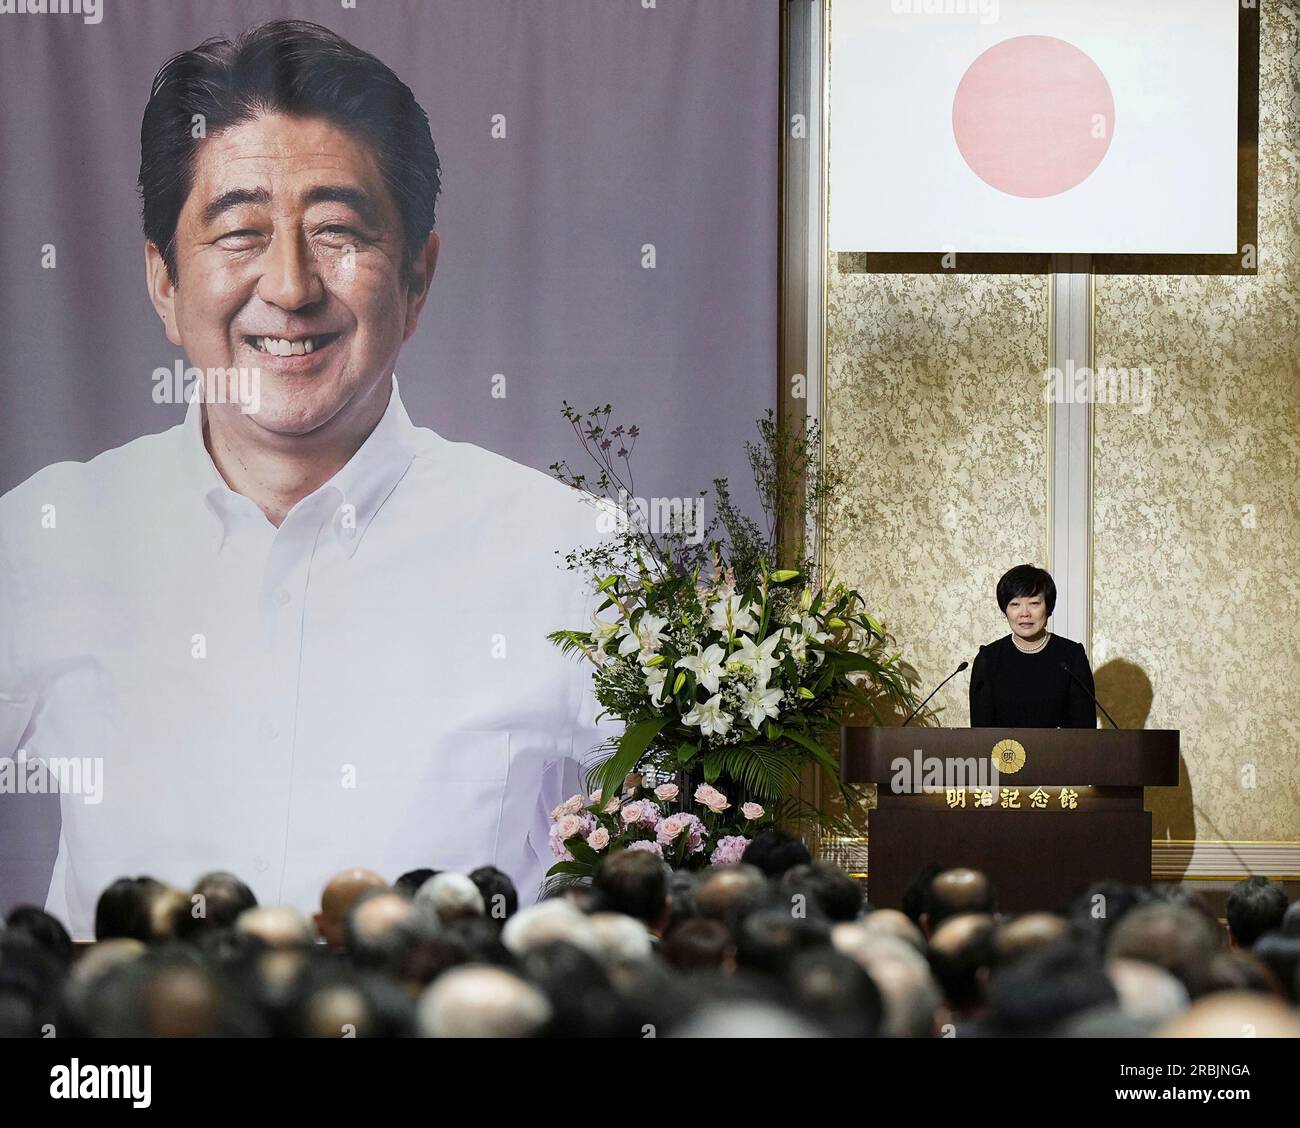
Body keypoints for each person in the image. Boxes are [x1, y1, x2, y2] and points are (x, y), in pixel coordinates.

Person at [0, 19, 612, 939]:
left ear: (416, 279)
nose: (289, 286)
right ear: (164, 283)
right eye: (240, 232)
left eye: (335, 232)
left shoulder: (569, 555)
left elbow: (673, 882)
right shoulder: (47, 533)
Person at [969, 564, 1097, 728]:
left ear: (1048, 607)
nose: (1025, 613)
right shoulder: (988, 659)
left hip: (1061, 753)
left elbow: (1085, 732)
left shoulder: (1071, 657)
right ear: (1005, 609)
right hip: (1005, 753)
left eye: (1034, 603)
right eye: (1015, 604)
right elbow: (980, 733)